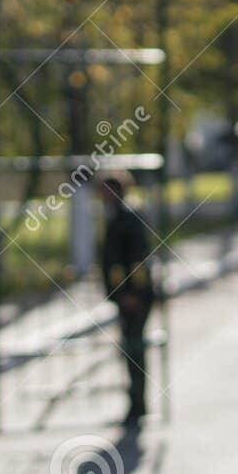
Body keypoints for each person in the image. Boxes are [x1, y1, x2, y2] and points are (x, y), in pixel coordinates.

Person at [98, 177, 155, 427]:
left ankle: (138, 406)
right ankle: (136, 404)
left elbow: (137, 259)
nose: (102, 196)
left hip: (134, 298)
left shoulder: (128, 218)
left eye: (107, 190)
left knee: (134, 351)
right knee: (131, 350)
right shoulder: (117, 217)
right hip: (125, 297)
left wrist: (133, 294)